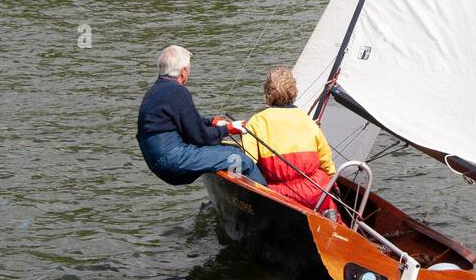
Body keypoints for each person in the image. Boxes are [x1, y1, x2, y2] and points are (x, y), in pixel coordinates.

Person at [137, 44, 265, 187]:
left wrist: (211, 122)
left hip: (156, 160)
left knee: (232, 150)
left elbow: (187, 123)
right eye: (189, 68)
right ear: (183, 71)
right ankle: (268, 199)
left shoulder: (153, 92)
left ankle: (238, 195)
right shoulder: (178, 92)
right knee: (240, 159)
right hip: (172, 159)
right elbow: (200, 137)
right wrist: (227, 129)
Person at [238, 67, 339, 218]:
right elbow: (326, 163)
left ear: (267, 93)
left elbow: (248, 163)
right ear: (293, 91)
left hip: (280, 196)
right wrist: (334, 187)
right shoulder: (307, 120)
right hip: (316, 193)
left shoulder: (257, 122)